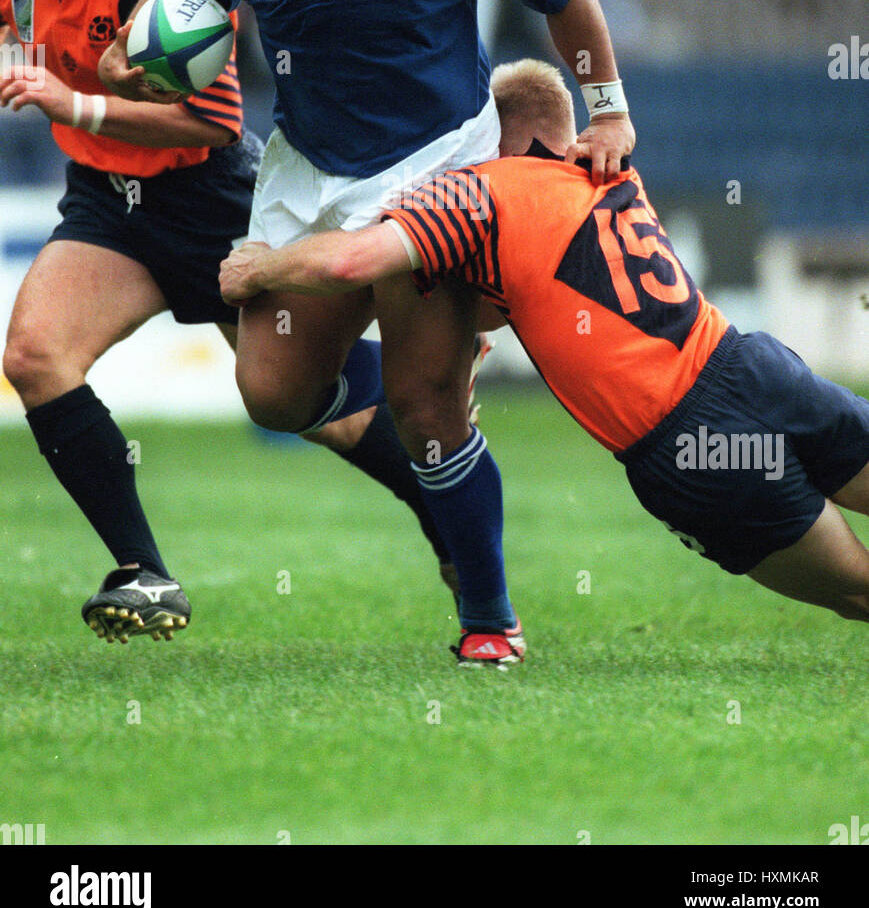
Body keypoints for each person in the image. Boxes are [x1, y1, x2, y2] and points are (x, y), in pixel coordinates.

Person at [98, 0, 635, 664]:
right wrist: (130, 59)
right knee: (273, 394)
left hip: (439, 167)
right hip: (307, 169)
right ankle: (435, 390)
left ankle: (488, 620)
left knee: (430, 417)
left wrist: (608, 108)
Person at [0, 0, 472, 646]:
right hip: (109, 204)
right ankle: (143, 572)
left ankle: (449, 512)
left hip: (209, 200)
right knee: (35, 357)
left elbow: (214, 120)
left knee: (313, 410)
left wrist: (75, 104)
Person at [220, 58, 869, 650]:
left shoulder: (480, 191)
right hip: (755, 368)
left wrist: (260, 268)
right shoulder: (605, 168)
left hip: (684, 441)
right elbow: (527, 288)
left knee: (857, 592)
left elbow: (351, 260)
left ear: (488, 143)